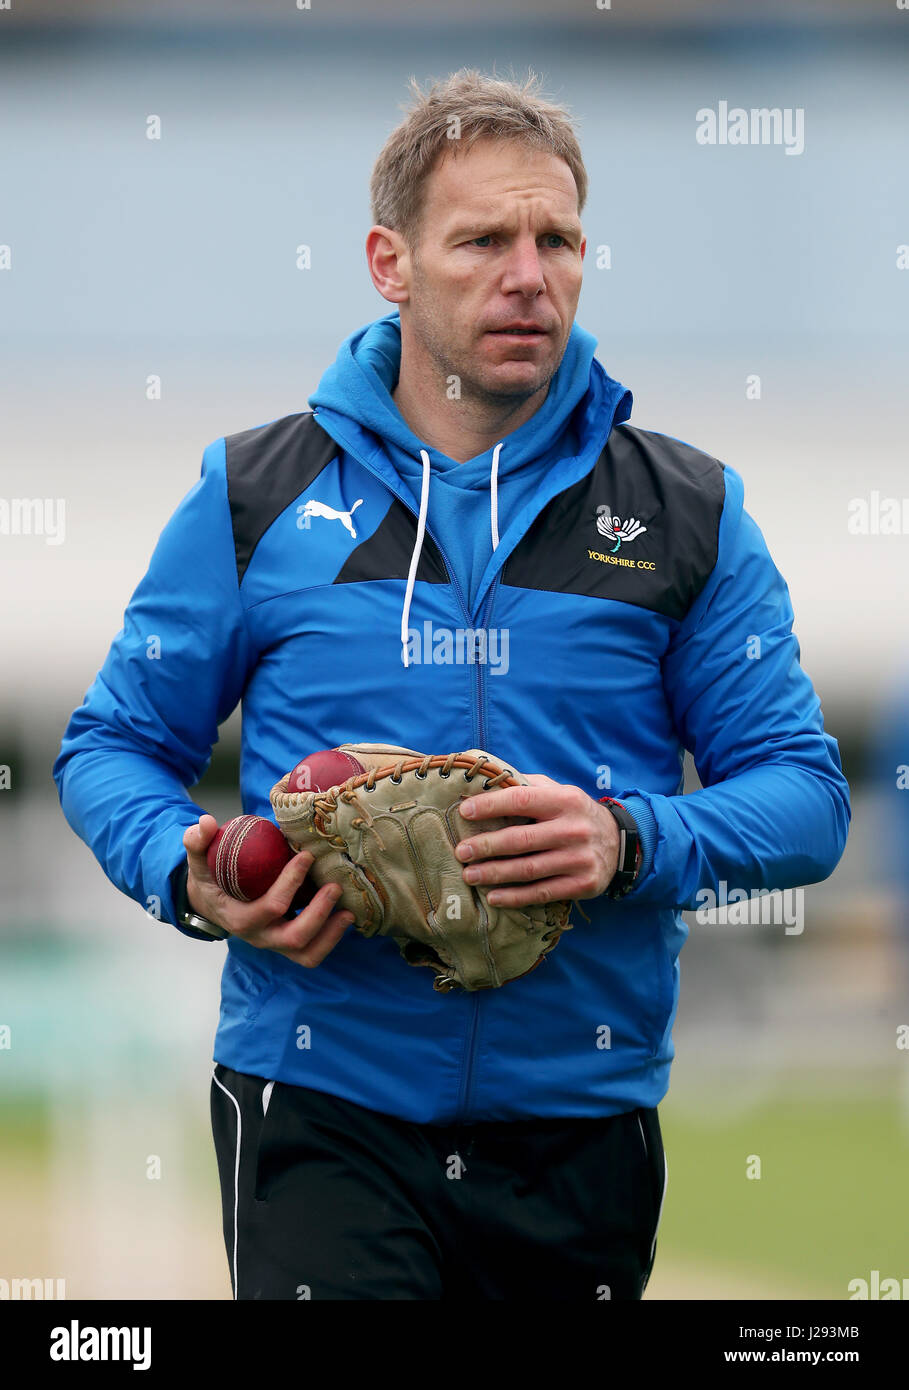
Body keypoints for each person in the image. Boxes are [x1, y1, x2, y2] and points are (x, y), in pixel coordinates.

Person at [52, 69, 851, 1301]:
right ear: (391, 261)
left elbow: (806, 800)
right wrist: (191, 875)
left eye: (559, 239)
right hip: (318, 1099)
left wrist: (626, 839)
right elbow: (110, 744)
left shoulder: (690, 510)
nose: (529, 274)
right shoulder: (253, 494)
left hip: (579, 1122)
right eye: (482, 240)